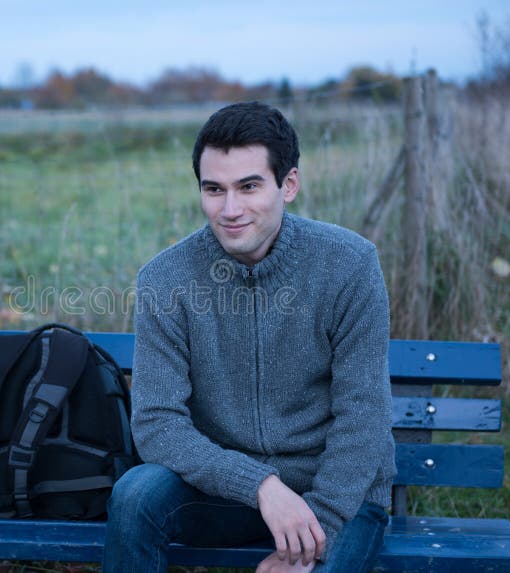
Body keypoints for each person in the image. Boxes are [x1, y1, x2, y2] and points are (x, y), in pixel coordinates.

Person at [102, 101, 396, 573]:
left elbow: (363, 415)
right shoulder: (166, 279)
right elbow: (157, 423)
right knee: (136, 495)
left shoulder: (349, 266)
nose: (230, 209)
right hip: (225, 489)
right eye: (214, 189)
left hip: (337, 493)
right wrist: (259, 485)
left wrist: (314, 532)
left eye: (249, 186)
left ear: (289, 184)